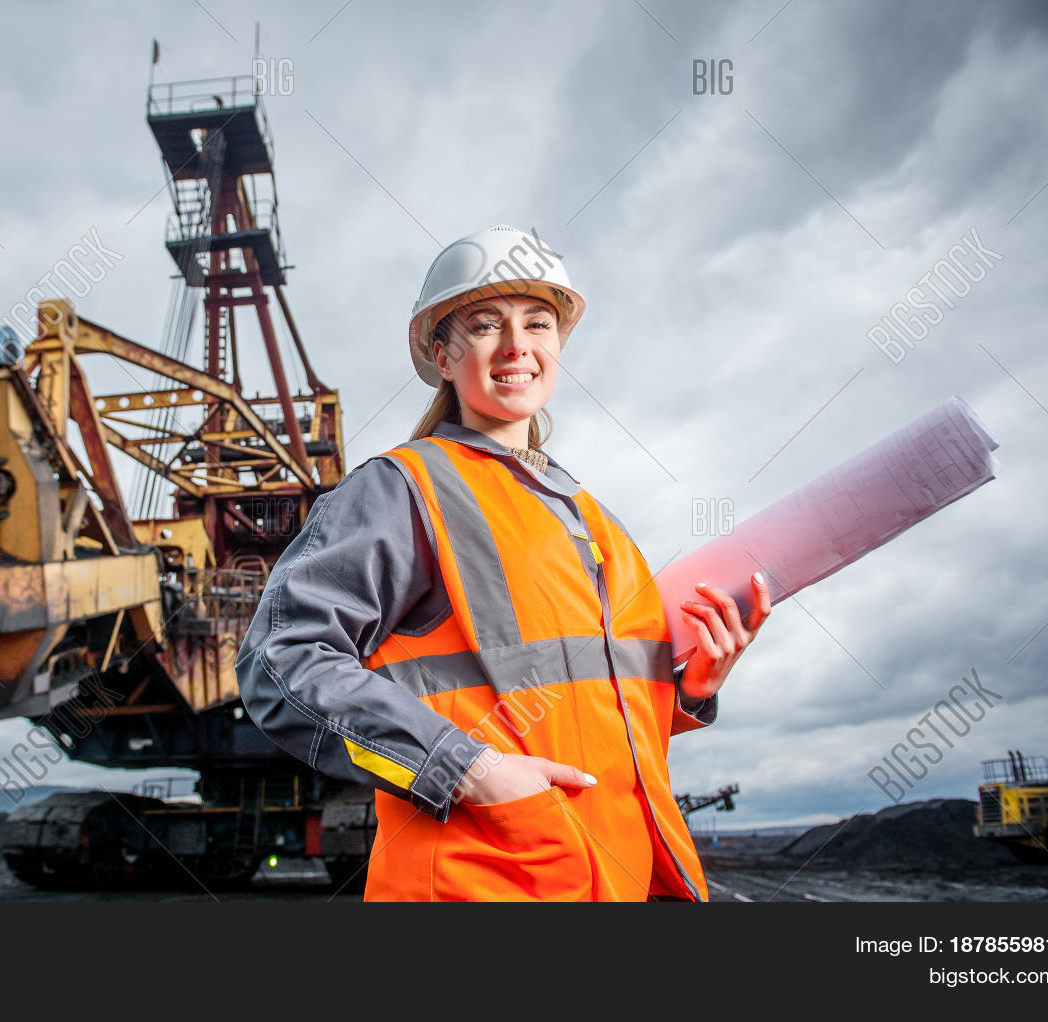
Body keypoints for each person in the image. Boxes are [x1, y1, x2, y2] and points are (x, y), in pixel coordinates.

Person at [235, 224, 771, 901]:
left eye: (538, 323)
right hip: (483, 885)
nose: (518, 345)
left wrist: (692, 688)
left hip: (623, 880)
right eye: (486, 325)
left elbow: (592, 713)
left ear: (558, 346)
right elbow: (280, 662)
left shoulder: (596, 521)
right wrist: (467, 769)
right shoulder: (405, 487)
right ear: (443, 353)